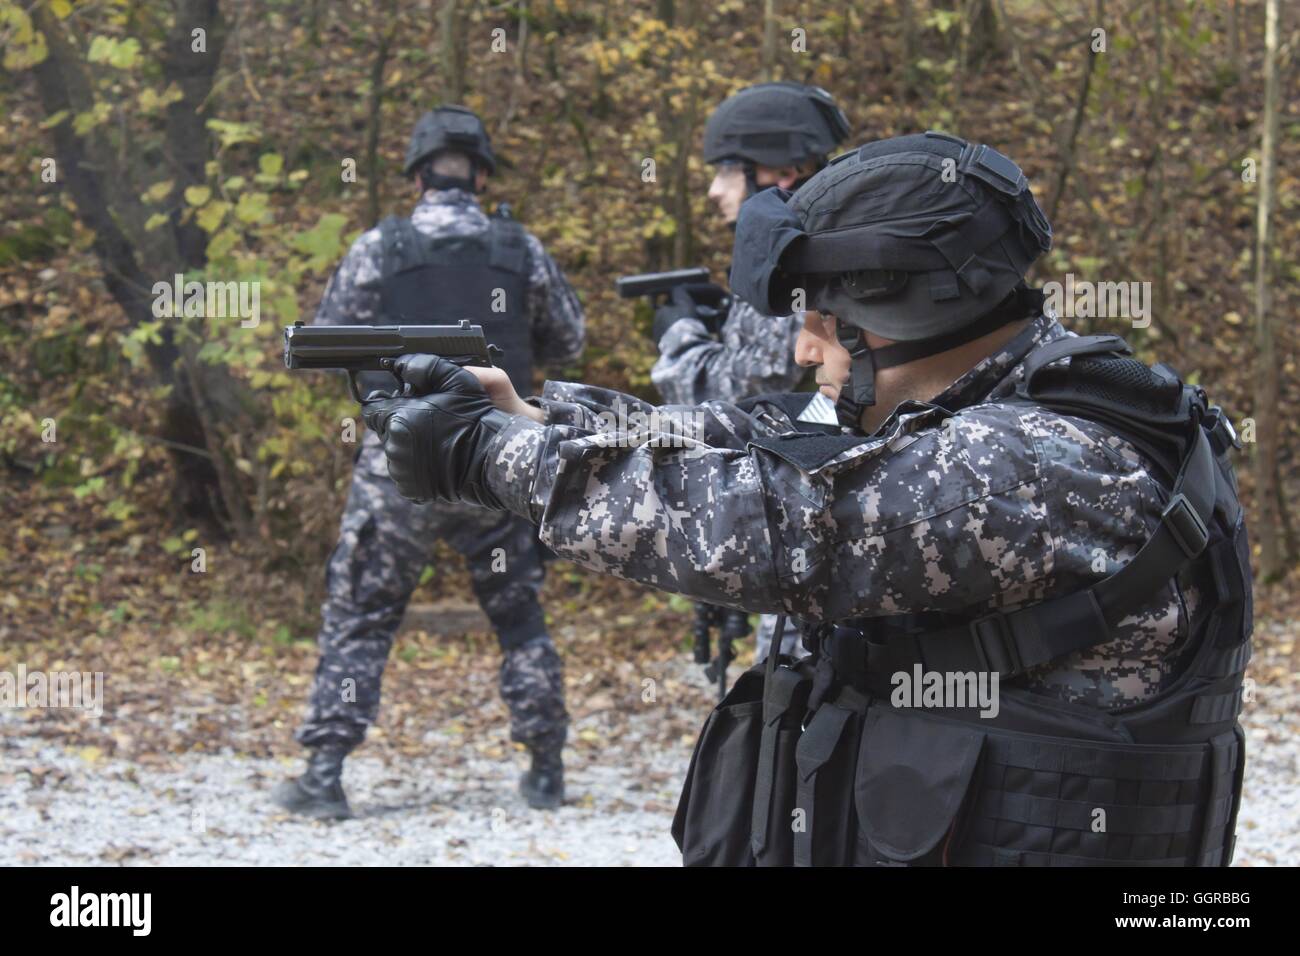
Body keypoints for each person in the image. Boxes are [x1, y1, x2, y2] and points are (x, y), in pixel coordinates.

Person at [361, 132, 1251, 866]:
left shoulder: (1048, 459)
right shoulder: (961, 407)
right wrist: (530, 416)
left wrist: (494, 461)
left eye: (822, 324)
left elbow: (784, 525)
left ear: (908, 312)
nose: (802, 351)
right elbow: (739, 436)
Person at [273, 106, 585, 818]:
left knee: (361, 613)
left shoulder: (377, 248)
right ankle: (545, 768)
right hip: (497, 458)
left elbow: (332, 339)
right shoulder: (521, 249)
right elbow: (566, 339)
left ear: (416, 175)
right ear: (480, 173)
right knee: (519, 616)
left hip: (400, 462)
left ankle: (323, 774)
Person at [649, 81, 851, 660]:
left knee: (789, 689)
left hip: (807, 508)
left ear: (778, 171)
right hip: (812, 501)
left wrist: (679, 336)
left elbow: (738, 391)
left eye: (725, 171)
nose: (714, 191)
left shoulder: (794, 251)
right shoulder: (824, 238)